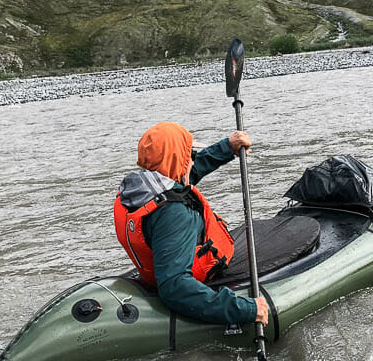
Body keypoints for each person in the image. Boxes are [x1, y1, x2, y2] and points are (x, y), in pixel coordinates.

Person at [114, 121, 269, 328]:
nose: (190, 161)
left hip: (156, 266)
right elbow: (174, 288)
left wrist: (227, 147)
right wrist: (247, 309)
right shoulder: (174, 214)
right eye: (187, 156)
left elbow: (185, 176)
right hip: (190, 275)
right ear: (177, 161)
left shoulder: (138, 187)